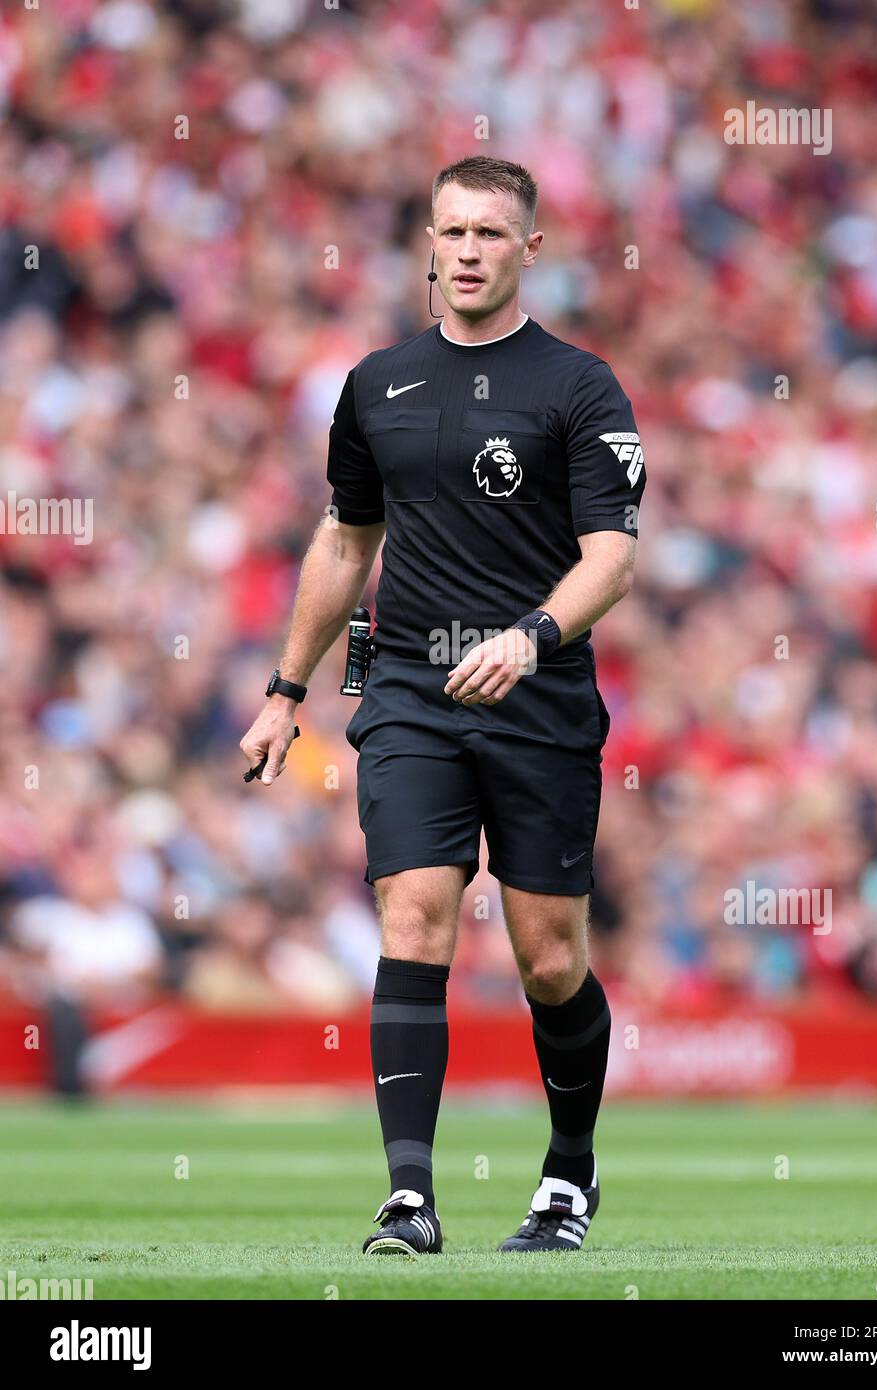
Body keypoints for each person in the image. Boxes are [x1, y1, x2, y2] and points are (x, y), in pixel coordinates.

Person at [240, 156, 645, 1256]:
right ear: (428, 241)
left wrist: (529, 639)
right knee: (413, 910)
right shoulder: (376, 383)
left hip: (538, 691)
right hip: (411, 684)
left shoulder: (579, 386)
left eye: (490, 235)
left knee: (548, 954)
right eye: (452, 232)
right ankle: (409, 1198)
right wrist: (286, 690)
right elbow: (344, 538)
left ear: (528, 250)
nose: (467, 252)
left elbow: (611, 559)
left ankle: (567, 1174)